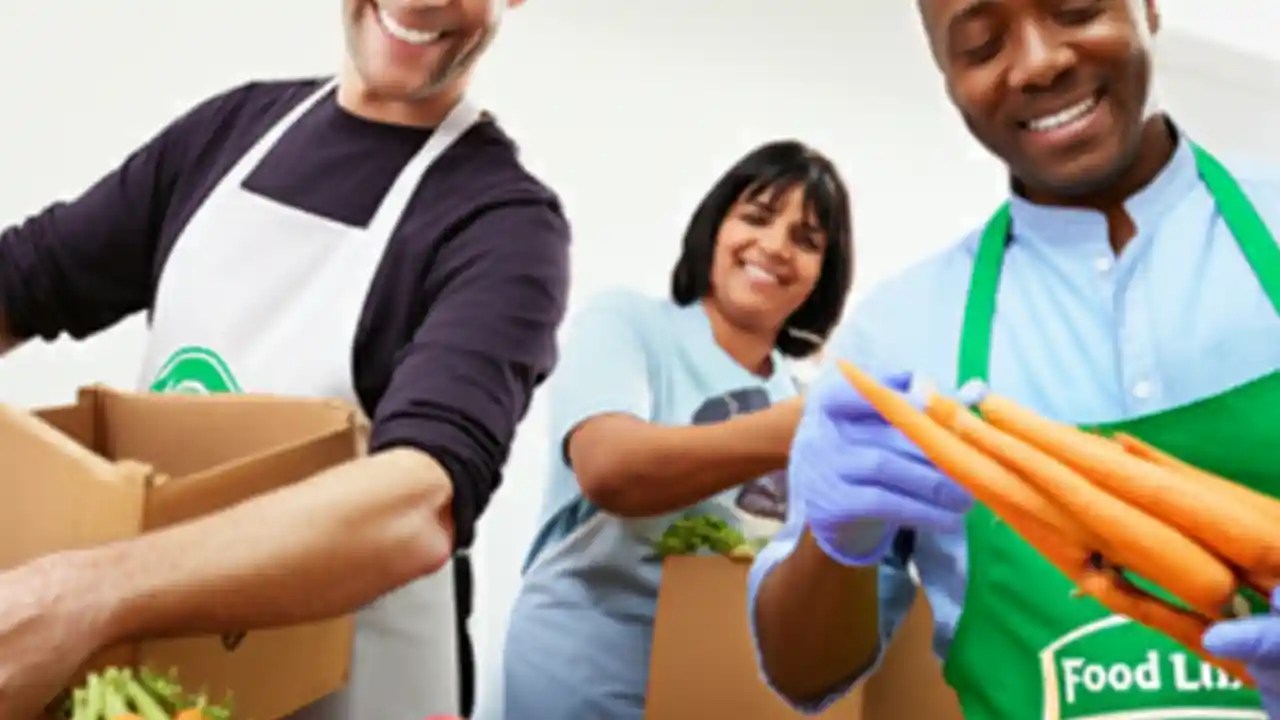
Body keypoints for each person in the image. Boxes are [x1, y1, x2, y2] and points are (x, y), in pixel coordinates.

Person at [0, 1, 569, 718]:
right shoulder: (231, 133)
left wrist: (85, 595)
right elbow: (27, 278)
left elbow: (419, 501)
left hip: (356, 689)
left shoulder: (505, 227)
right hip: (165, 676)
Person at [748, 1, 1280, 718]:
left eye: (1076, 8)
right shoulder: (901, 335)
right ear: (947, 76)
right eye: (981, 44)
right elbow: (804, 674)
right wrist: (834, 541)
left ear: (1149, 7)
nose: (1038, 62)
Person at [501, 140, 855, 719]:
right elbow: (611, 470)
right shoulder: (631, 326)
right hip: (581, 676)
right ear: (715, 226)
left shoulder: (804, 397)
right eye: (757, 217)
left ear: (822, 275)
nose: (774, 246)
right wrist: (801, 431)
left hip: (716, 688)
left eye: (806, 240)